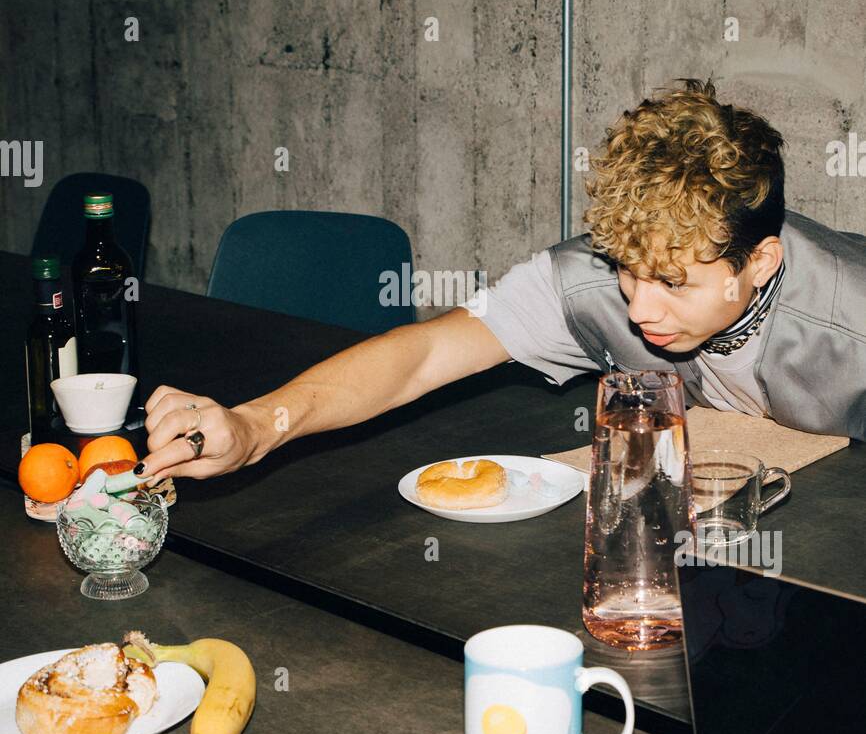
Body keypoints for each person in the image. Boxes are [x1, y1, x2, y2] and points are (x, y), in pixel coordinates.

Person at [136, 78, 866, 482]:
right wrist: (254, 426)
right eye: (628, 269)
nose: (641, 308)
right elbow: (422, 354)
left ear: (760, 262)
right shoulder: (584, 280)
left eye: (674, 284)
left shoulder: (853, 324)